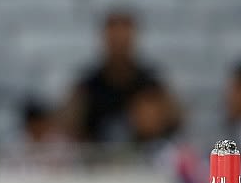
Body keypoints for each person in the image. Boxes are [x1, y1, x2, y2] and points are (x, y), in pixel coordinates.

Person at [65, 8, 168, 144]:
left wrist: (157, 120)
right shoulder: (87, 85)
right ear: (105, 39)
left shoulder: (150, 83)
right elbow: (66, 126)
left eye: (124, 40)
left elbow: (176, 120)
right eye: (114, 39)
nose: (119, 45)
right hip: (96, 161)